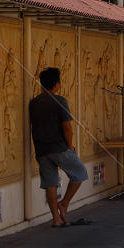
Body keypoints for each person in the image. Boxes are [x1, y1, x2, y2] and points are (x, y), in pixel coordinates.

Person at [28, 67, 90, 227]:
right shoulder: (60, 101)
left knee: (50, 183)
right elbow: (67, 127)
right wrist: (70, 145)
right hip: (59, 147)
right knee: (80, 173)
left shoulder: (34, 103)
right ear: (56, 84)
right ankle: (64, 204)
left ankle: (56, 218)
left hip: (41, 150)